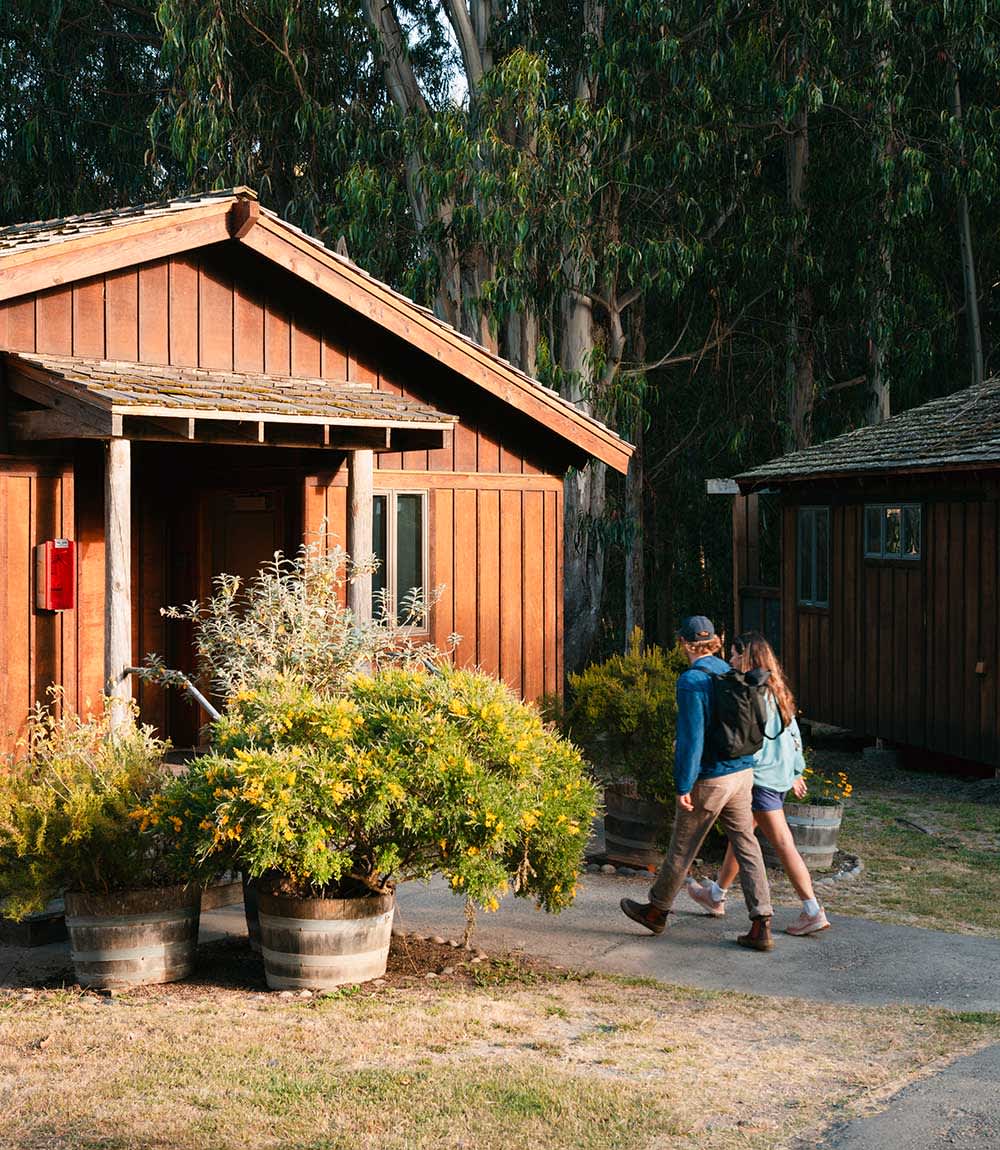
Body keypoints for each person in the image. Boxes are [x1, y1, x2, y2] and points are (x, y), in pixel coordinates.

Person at [619, 615, 775, 951]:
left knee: (683, 846)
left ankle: (656, 911)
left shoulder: (692, 680)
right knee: (746, 844)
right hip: (742, 773)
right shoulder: (728, 670)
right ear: (714, 642)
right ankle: (761, 922)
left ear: (684, 644)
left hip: (711, 778)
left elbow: (692, 739)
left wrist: (683, 785)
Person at [685, 631, 830, 936]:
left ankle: (812, 910)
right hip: (779, 774)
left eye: (734, 654)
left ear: (747, 657)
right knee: (742, 838)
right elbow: (793, 733)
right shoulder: (776, 688)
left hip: (761, 778)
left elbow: (747, 738)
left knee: (782, 843)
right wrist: (797, 771)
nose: (729, 660)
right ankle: (716, 895)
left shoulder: (751, 691)